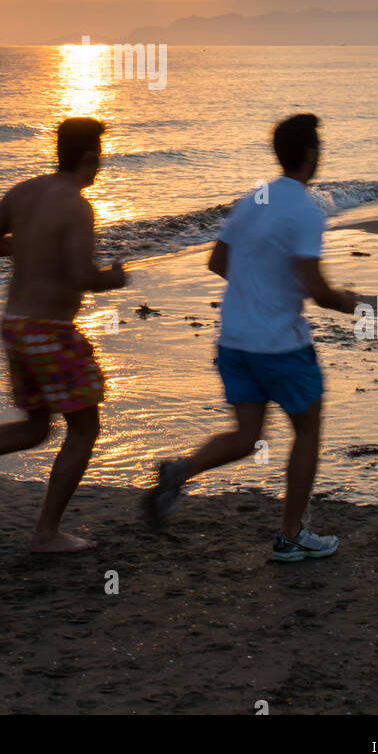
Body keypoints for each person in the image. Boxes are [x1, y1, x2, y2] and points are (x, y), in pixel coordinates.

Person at [144, 112, 359, 561]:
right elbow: (317, 291)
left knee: (246, 435)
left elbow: (217, 262)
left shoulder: (252, 199)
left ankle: (181, 471)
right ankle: (291, 535)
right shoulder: (306, 211)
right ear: (310, 155)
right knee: (307, 431)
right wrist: (352, 301)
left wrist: (257, 286)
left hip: (235, 339)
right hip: (281, 344)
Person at [0, 116, 127, 552]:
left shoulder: (25, 190)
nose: (101, 165)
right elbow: (79, 274)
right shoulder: (76, 204)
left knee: (35, 427)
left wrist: (30, 243)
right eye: (100, 156)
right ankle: (46, 533)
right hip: (51, 331)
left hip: (14, 327)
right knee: (85, 428)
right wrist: (114, 278)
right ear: (89, 156)